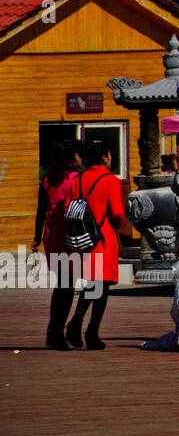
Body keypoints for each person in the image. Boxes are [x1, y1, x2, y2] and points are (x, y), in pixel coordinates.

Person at [64, 140, 127, 351]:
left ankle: (83, 327)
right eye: (109, 155)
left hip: (83, 238)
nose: (111, 158)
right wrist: (116, 224)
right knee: (101, 285)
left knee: (95, 283)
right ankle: (86, 328)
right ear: (103, 158)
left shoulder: (78, 179)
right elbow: (117, 212)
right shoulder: (111, 180)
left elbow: (69, 208)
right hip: (103, 237)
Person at [34, 139, 81, 351]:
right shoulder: (76, 179)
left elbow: (40, 211)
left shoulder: (46, 181)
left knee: (61, 284)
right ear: (71, 159)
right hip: (70, 234)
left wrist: (36, 238)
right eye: (78, 155)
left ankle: (54, 330)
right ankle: (57, 332)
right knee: (68, 285)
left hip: (51, 233)